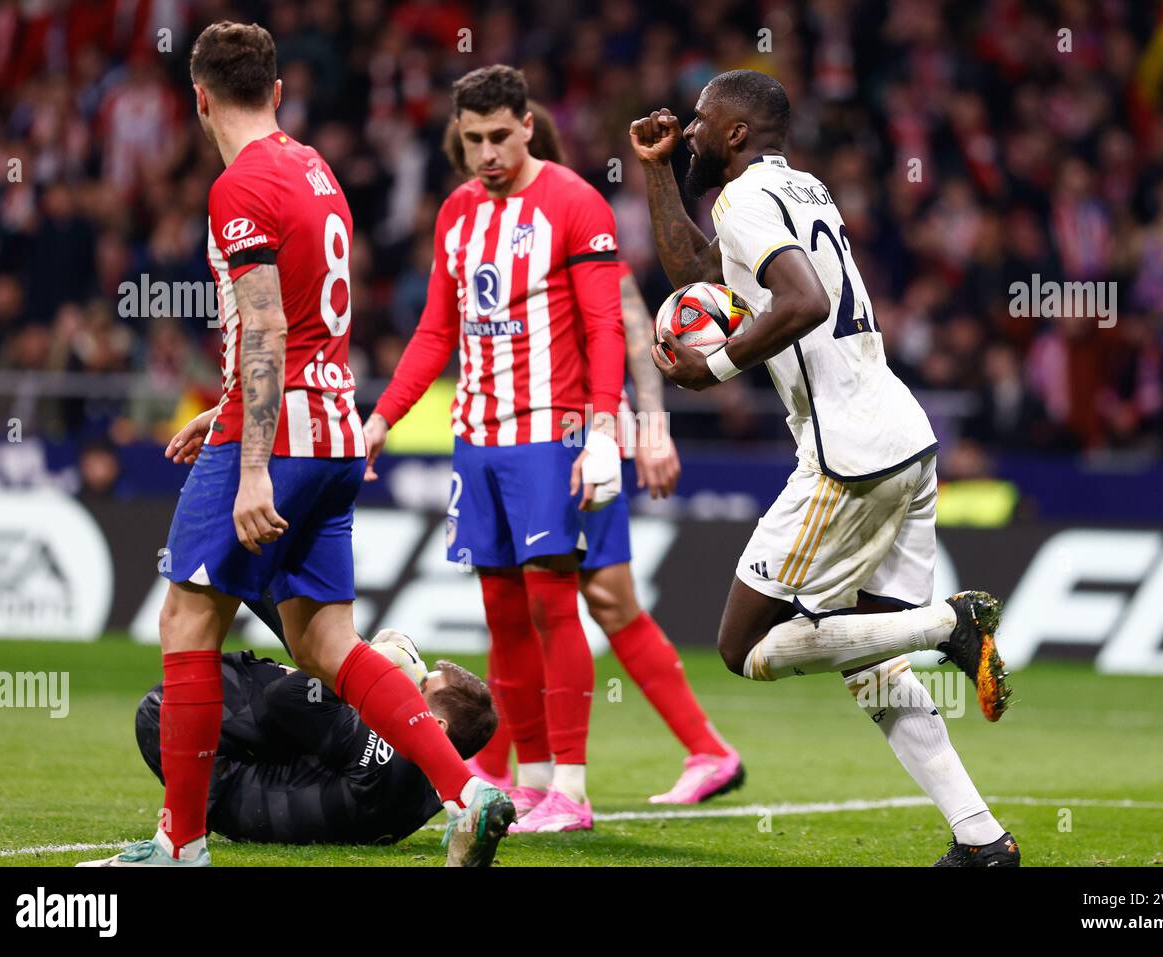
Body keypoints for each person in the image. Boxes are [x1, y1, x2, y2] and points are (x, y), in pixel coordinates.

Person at [81, 21, 512, 868]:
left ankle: (181, 842)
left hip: (274, 440)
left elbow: (272, 325)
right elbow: (308, 328)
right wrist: (231, 406)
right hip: (335, 432)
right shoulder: (317, 171)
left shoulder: (239, 185)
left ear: (199, 97)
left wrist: (247, 462)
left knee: (186, 617)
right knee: (326, 644)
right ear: (277, 92)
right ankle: (469, 788)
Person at [630, 70, 1020, 866]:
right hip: (903, 439)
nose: (693, 129)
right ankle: (983, 840)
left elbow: (801, 300)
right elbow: (702, 277)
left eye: (702, 122)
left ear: (737, 134)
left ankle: (951, 624)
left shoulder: (747, 201)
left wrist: (717, 369)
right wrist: (659, 169)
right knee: (868, 662)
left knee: (745, 646)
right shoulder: (799, 190)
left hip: (848, 457)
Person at [441, 102, 745, 805]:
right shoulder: (493, 224)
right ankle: (702, 749)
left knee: (564, 599)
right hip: (546, 435)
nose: (479, 164)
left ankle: (510, 765)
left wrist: (649, 429)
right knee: (593, 599)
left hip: (575, 441)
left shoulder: (563, 219)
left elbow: (633, 323)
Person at [362, 65, 626, 834]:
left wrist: (602, 425)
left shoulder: (576, 203)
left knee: (552, 603)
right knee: (502, 617)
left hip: (549, 436)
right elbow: (436, 333)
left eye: (498, 136)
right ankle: (533, 779)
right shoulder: (456, 213)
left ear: (527, 125)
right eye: (473, 138)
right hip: (476, 439)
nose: (485, 152)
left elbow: (605, 326)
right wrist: (381, 418)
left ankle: (571, 789)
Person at [131, 638, 497, 847]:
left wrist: (366, 658)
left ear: (436, 725)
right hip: (249, 795)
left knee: (256, 682)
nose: (402, 687)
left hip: (210, 768)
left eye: (419, 688)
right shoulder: (426, 792)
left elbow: (286, 696)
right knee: (316, 710)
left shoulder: (387, 754)